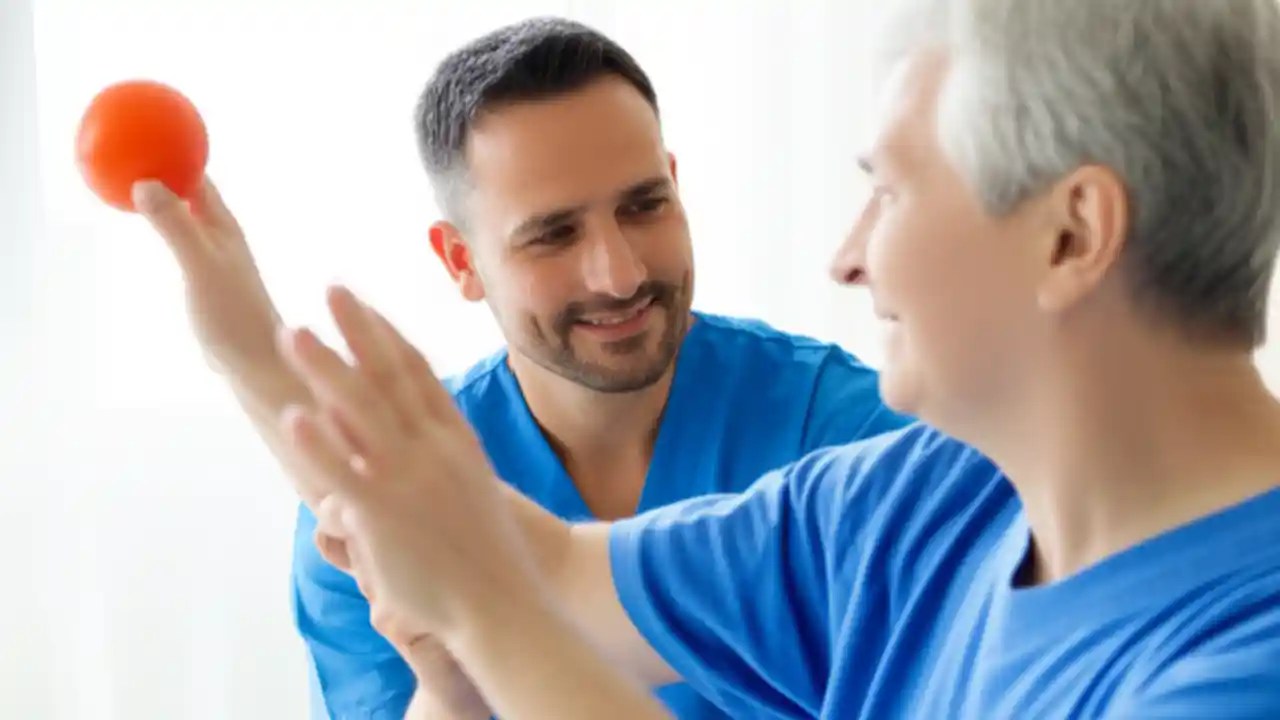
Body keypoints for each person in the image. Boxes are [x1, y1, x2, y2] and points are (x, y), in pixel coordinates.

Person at [267, 0, 1280, 717]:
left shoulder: (1240, 660)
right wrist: (260, 366)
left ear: (1068, 235)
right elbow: (550, 569)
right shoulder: (927, 497)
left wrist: (486, 610)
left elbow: (508, 591)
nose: (845, 258)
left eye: (888, 190)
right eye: (550, 234)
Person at [132, 16, 908, 720]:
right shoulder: (390, 498)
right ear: (461, 261)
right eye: (553, 235)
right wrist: (447, 689)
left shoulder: (853, 435)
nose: (619, 272)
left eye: (643, 205)